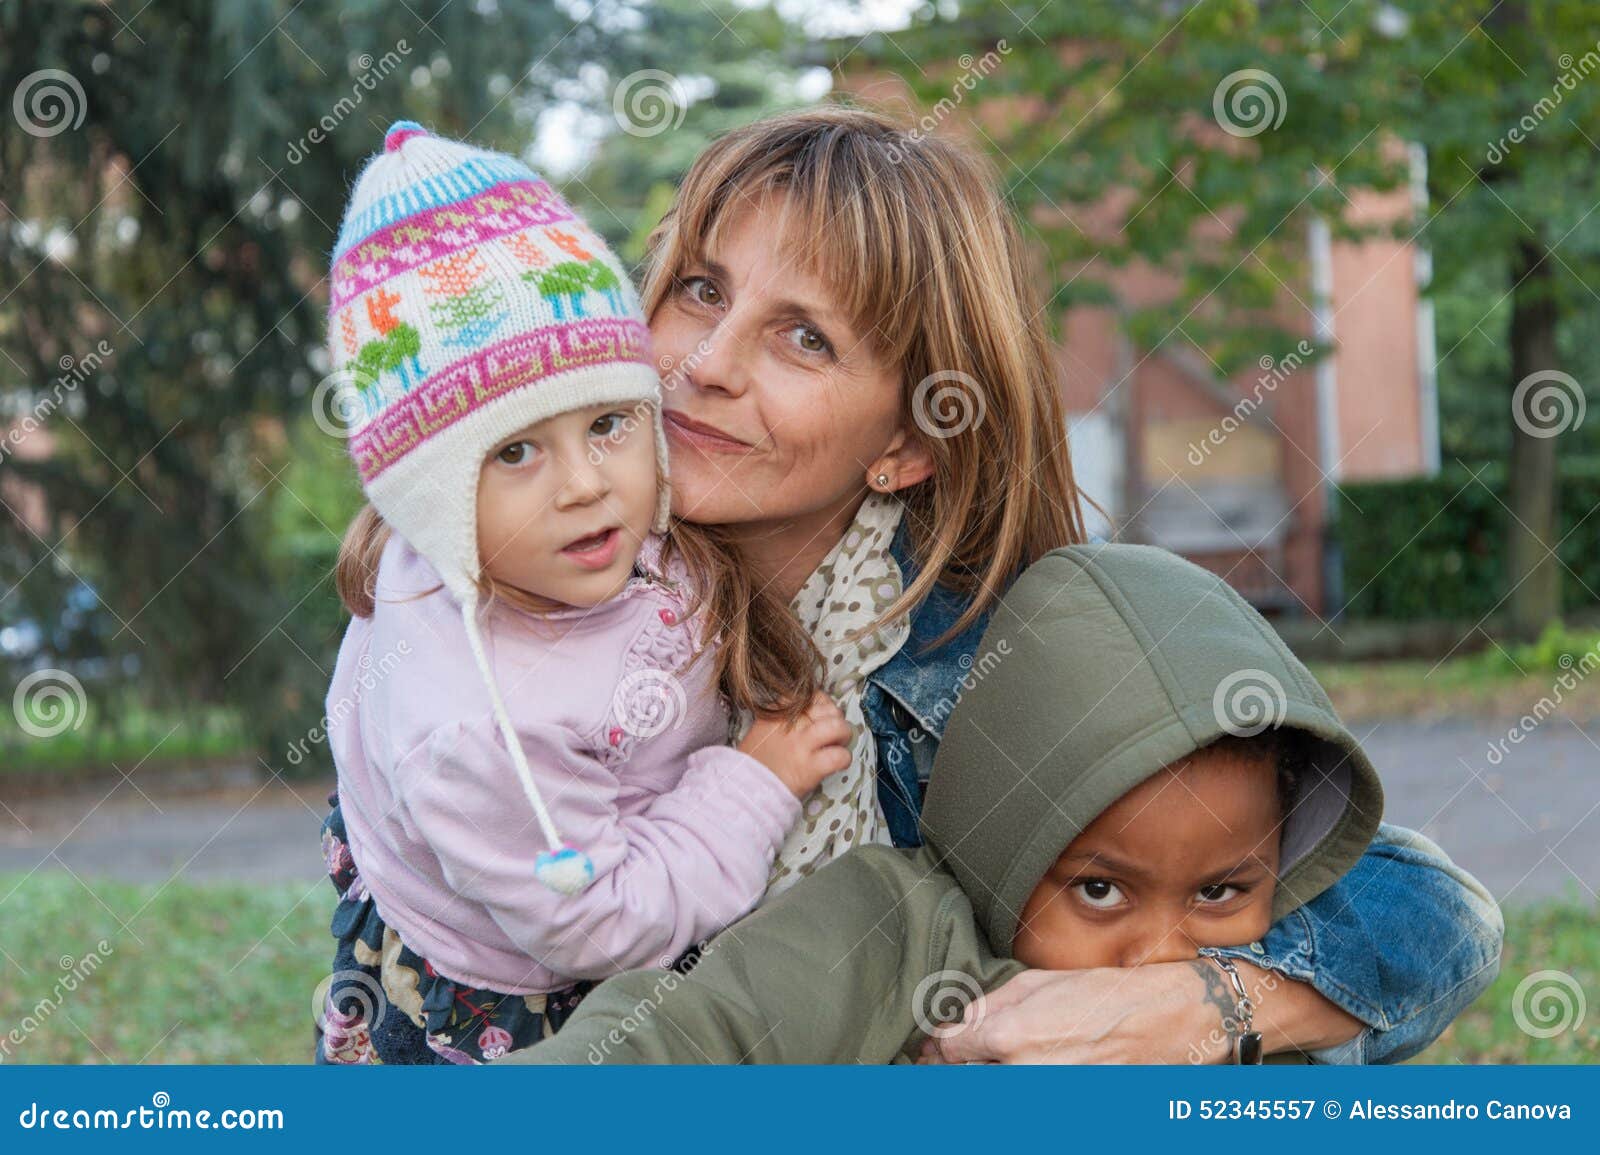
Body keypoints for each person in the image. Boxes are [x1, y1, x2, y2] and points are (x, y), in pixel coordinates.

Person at [320, 105, 1503, 1063]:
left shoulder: (974, 662)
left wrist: (1202, 1007)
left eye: (805, 340)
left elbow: (1432, 913)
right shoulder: (528, 565)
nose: (705, 366)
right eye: (699, 291)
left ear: (910, 442)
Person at [314, 122, 854, 1065]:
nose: (584, 484)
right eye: (514, 451)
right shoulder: (476, 728)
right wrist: (751, 786)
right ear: (428, 494)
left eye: (608, 421)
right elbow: (602, 923)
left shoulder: (566, 534)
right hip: (528, 987)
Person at [501, 543, 1394, 1064]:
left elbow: (1449, 922)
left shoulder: (1273, 964)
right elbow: (693, 1030)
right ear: (1008, 835)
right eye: (1098, 890)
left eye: (1218, 892)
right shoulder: (901, 927)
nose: (1161, 954)